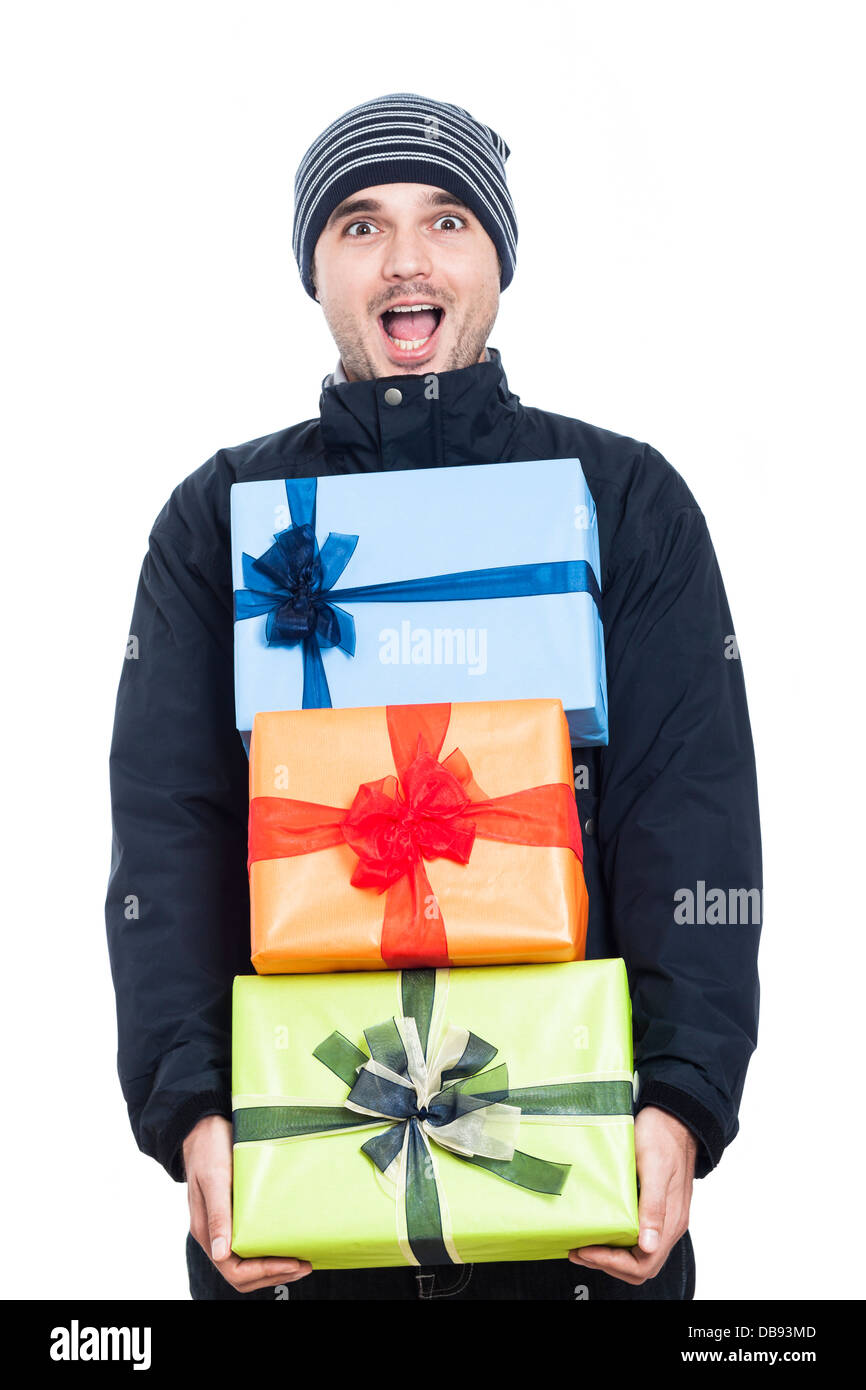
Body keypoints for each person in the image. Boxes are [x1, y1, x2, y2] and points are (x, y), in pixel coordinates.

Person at [105, 92, 762, 1302]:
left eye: (447, 220)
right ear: (313, 268)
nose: (406, 260)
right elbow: (171, 827)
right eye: (359, 226)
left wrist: (680, 1102)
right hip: (295, 1204)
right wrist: (192, 1107)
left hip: (578, 1200)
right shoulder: (217, 523)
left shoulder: (624, 502)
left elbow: (690, 813)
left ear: (496, 259)